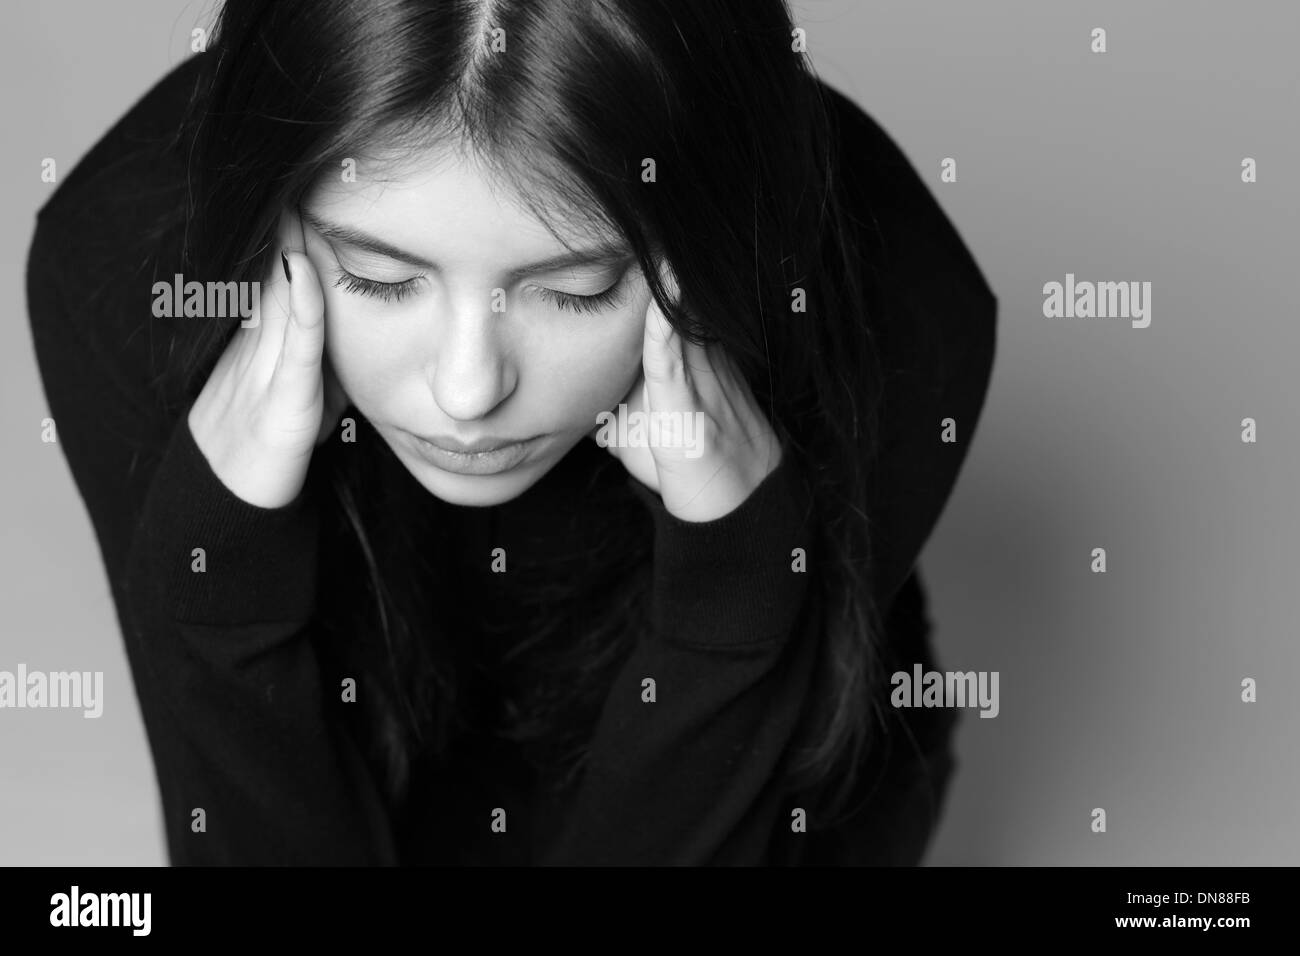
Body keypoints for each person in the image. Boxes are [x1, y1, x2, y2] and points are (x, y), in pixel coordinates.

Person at [25, 0, 997, 865]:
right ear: (275, 216)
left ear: (707, 243)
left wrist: (742, 568)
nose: (467, 390)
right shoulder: (120, 268)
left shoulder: (897, 309)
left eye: (575, 289)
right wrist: (217, 568)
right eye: (379, 277)